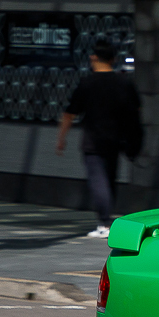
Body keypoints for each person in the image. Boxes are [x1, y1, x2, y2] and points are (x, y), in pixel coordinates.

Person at [55, 40, 142, 238]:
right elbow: (136, 111)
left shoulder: (87, 84)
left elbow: (70, 113)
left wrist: (61, 138)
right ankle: (106, 218)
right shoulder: (124, 83)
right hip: (116, 139)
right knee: (109, 179)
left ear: (93, 58)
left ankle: (104, 222)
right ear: (113, 60)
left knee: (98, 180)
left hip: (93, 140)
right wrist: (135, 137)